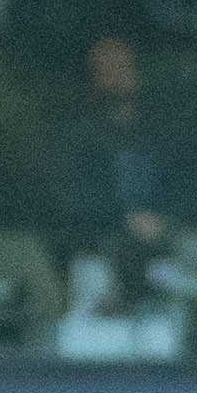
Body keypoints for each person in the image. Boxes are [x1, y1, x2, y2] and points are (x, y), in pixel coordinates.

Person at [60, 35, 180, 315]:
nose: (118, 77)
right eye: (108, 69)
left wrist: (164, 220)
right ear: (93, 78)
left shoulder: (161, 133)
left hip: (162, 257)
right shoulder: (78, 138)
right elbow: (68, 198)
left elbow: (186, 188)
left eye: (125, 67)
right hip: (98, 259)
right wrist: (125, 219)